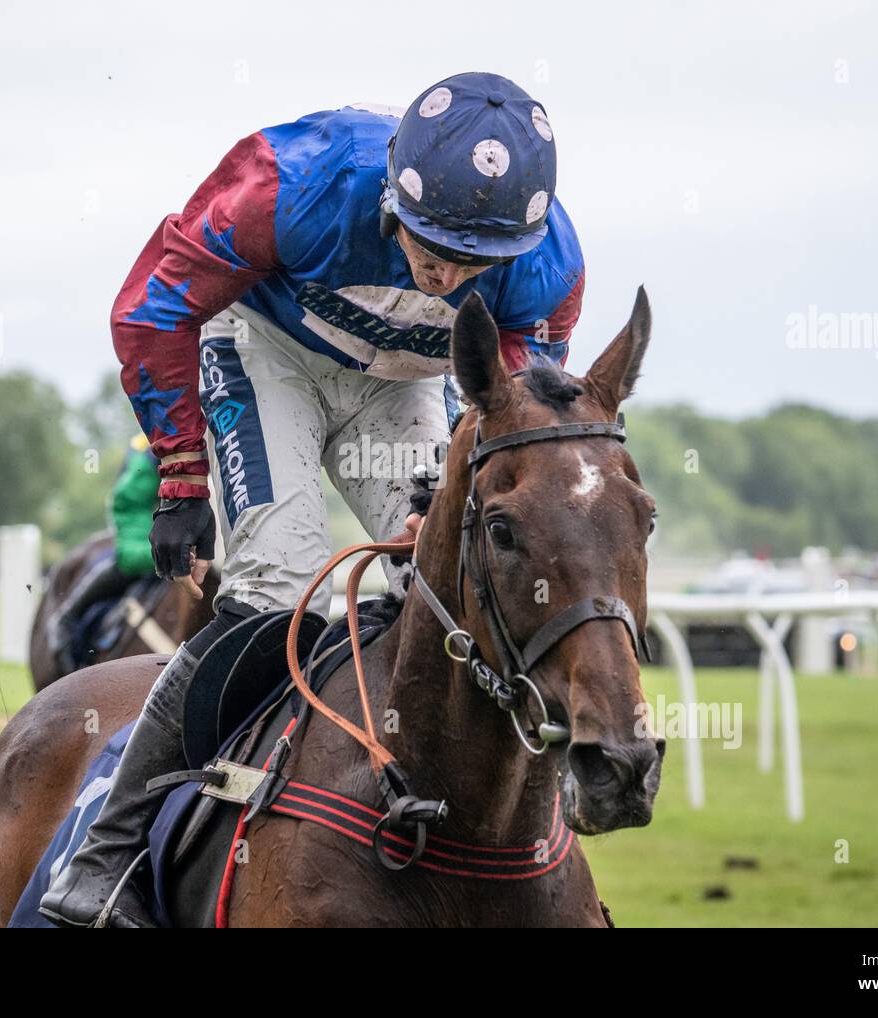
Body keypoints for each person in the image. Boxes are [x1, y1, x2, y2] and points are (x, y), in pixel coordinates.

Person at [41, 71, 585, 927]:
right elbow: (151, 307)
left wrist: (455, 507)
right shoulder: (291, 182)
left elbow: (506, 418)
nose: (445, 276)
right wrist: (181, 473)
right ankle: (107, 850)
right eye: (430, 244)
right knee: (272, 592)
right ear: (392, 195)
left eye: (473, 262)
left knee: (444, 582)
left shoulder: (549, 270)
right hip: (265, 354)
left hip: (404, 384)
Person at [46, 434, 163, 674]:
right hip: (138, 521)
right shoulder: (150, 445)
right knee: (138, 559)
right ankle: (67, 617)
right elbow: (127, 504)